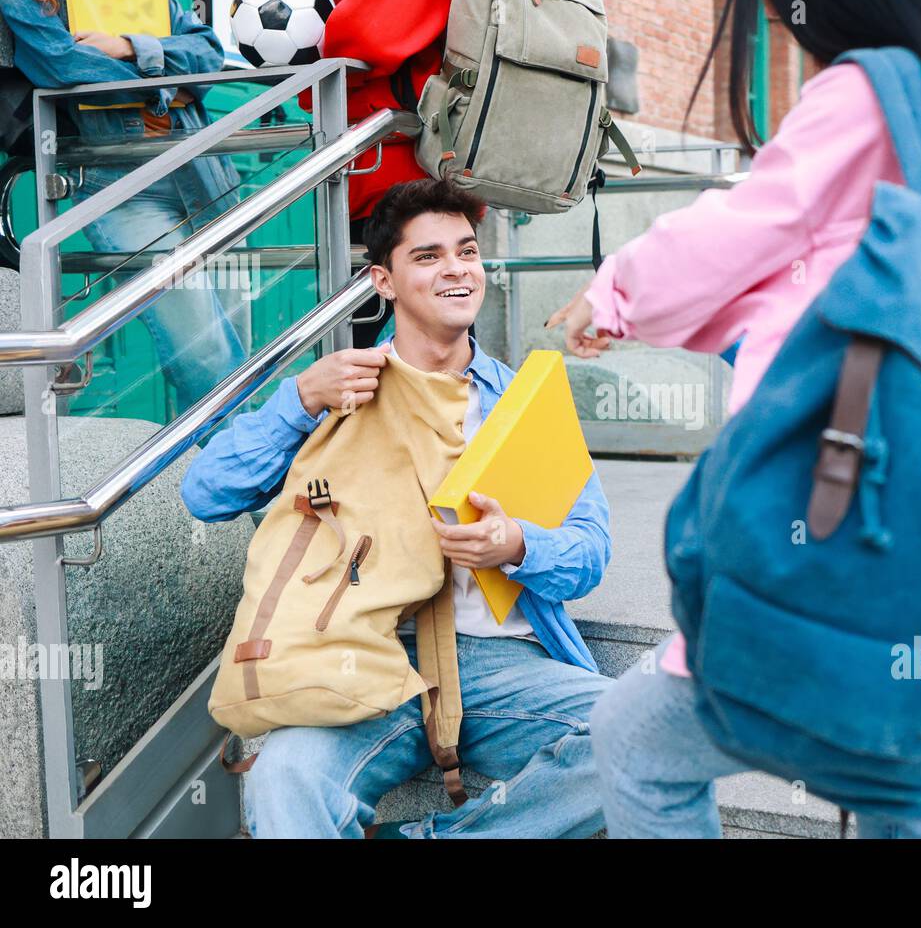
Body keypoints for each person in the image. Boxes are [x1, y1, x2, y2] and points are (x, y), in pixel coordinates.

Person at [548, 0, 921, 839]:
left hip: (850, 583)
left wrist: (616, 292)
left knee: (634, 741)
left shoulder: (863, 95)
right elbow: (800, 279)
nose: (780, 14)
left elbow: (742, 236)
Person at [182, 178, 614, 839]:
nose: (456, 270)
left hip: (501, 665)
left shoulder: (521, 403)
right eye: (429, 256)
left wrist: (518, 545)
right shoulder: (338, 389)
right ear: (382, 280)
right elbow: (206, 493)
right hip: (362, 655)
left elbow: (590, 553)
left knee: (642, 739)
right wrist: (298, 399)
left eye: (467, 252)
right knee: (284, 779)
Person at [0, 0, 247, 412]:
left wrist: (128, 47)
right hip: (123, 184)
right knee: (203, 352)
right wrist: (170, 80)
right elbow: (61, 66)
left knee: (240, 348)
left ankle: (240, 469)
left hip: (206, 171)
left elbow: (208, 53)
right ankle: (244, 475)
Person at [306, 0, 460, 349]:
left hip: (404, 179)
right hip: (388, 174)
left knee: (426, 332)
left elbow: (365, 37)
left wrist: (311, 53)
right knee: (436, 326)